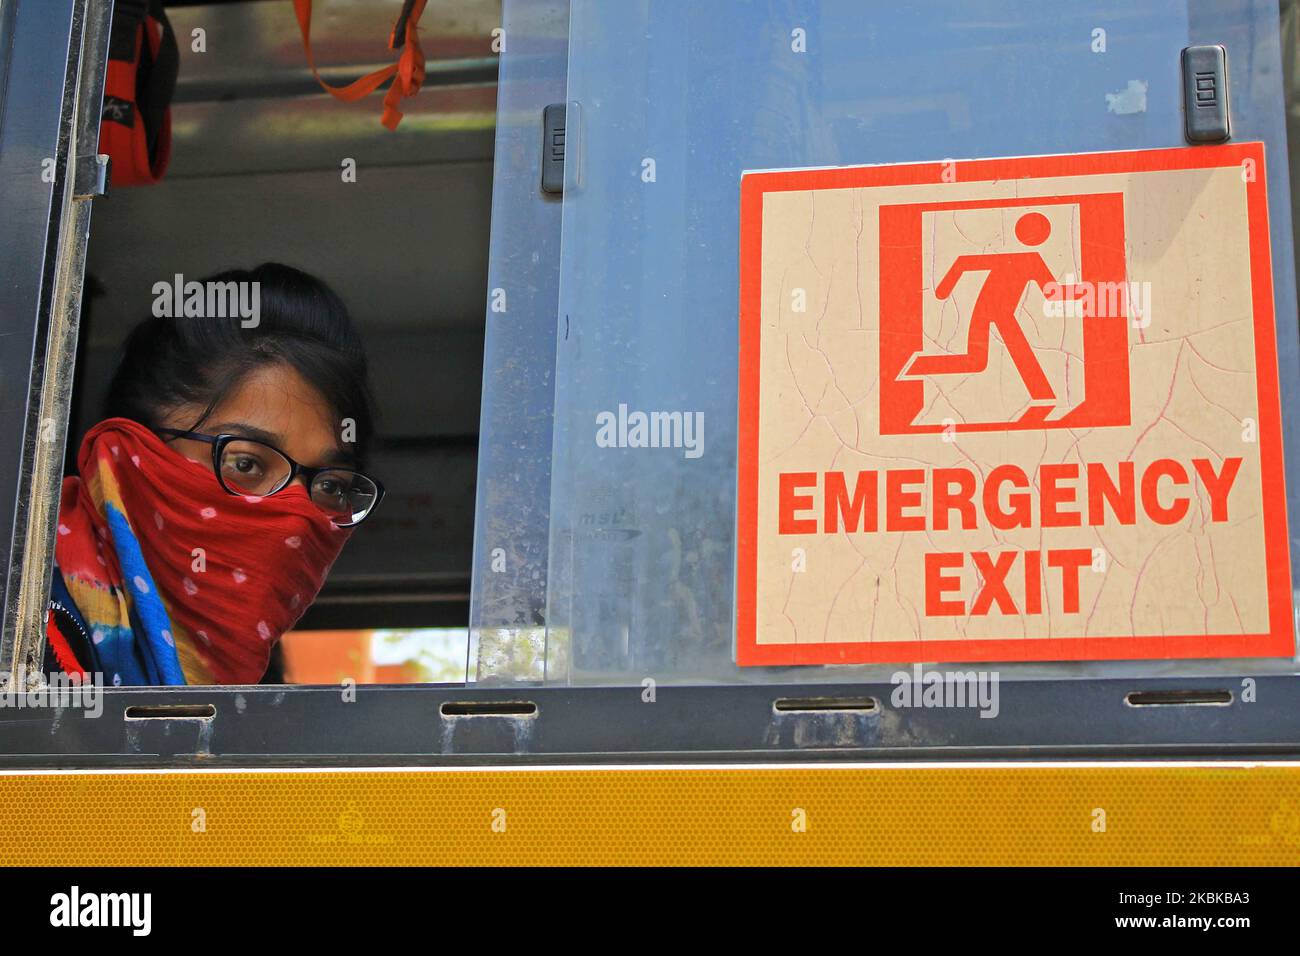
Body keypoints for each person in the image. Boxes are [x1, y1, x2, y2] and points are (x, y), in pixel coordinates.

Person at [45, 263, 384, 686]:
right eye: (245, 464)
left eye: (330, 486)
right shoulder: (22, 630)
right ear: (129, 455)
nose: (296, 519)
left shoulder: (250, 710)